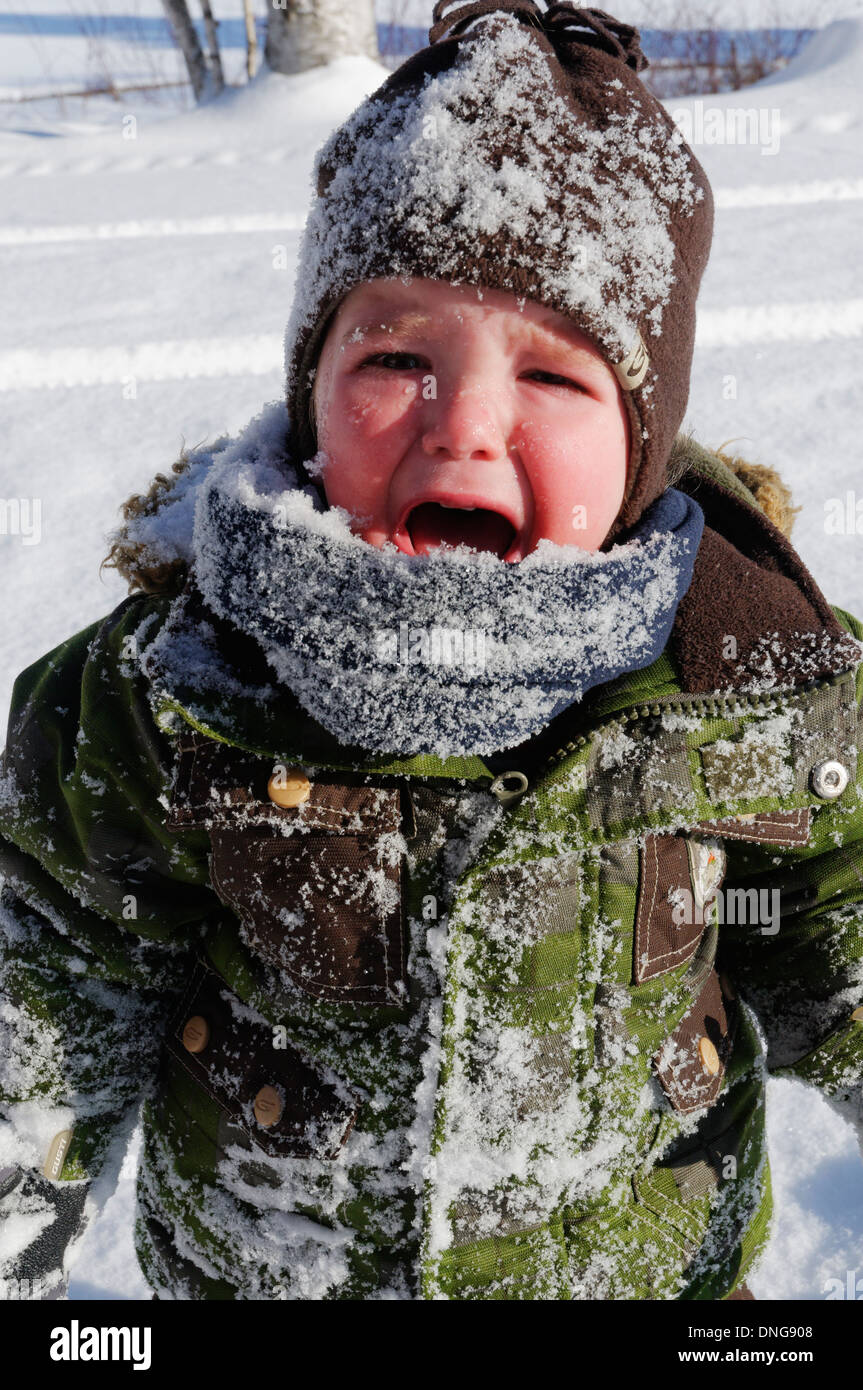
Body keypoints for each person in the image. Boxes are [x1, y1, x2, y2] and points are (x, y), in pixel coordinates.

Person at [1, 1, 861, 1301]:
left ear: (643, 450)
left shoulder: (748, 677)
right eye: (396, 353)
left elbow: (838, 919)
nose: (465, 427)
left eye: (557, 380)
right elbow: (57, 970)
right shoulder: (176, 687)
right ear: (312, 387)